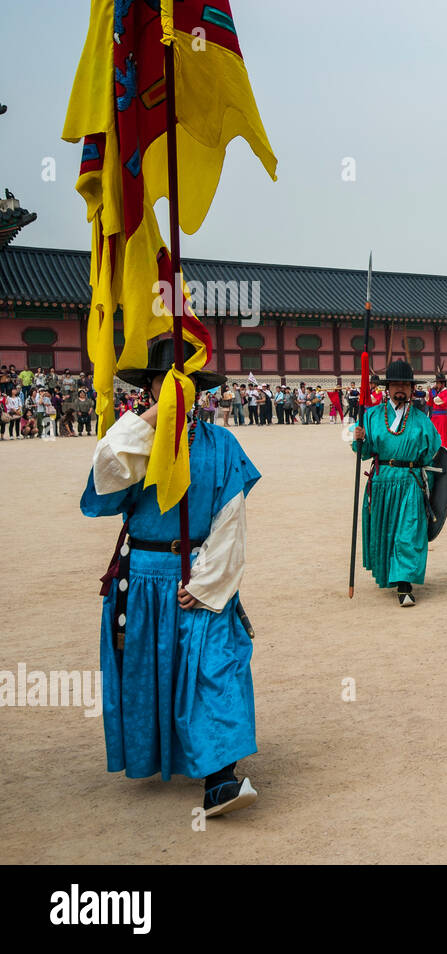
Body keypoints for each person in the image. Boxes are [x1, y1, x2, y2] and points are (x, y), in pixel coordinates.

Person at [79, 337, 262, 817]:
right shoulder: (134, 441)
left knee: (217, 667)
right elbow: (103, 473)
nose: (176, 391)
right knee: (152, 673)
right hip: (142, 580)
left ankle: (220, 779)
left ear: (198, 390)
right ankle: (161, 753)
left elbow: (231, 517)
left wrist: (206, 584)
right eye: (166, 383)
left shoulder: (222, 444)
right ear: (152, 387)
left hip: (199, 572)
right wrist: (156, 417)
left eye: (184, 384)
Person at [350, 360, 442, 606]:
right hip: (381, 483)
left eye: (405, 384)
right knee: (387, 531)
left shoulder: (422, 420)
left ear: (412, 389)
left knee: (408, 532)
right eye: (395, 384)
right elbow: (366, 452)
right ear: (387, 387)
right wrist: (359, 439)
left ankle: (405, 585)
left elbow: (431, 453)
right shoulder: (370, 416)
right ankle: (392, 575)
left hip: (410, 483)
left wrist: (426, 484)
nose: (400, 389)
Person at [427, 371, 447, 456]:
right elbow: (431, 402)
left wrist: (433, 393)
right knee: (433, 435)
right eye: (436, 383)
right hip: (434, 417)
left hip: (442, 418)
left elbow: (437, 400)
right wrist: (430, 393)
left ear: (442, 383)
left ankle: (442, 454)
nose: (436, 385)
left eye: (438, 383)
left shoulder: (446, 392)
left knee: (442, 436)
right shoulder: (438, 392)